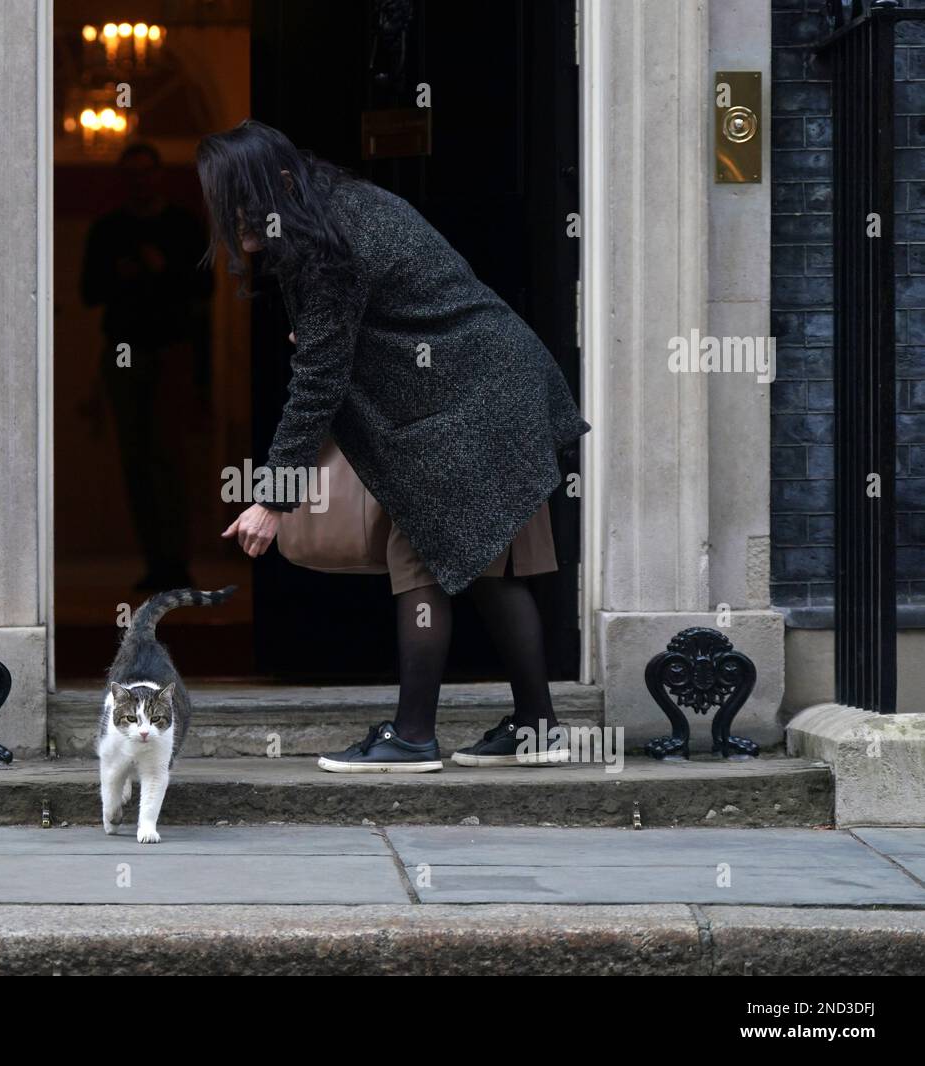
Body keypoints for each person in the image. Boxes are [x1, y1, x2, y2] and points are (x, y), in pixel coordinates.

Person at [200, 120, 590, 772]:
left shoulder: (326, 248)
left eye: (242, 202)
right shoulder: (341, 208)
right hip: (498, 385)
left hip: (468, 403)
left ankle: (412, 737)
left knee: (423, 561)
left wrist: (273, 498)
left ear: (282, 184)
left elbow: (318, 382)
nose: (234, 219)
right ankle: (537, 727)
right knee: (494, 569)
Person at [81, 141, 213, 590]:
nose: (140, 182)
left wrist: (163, 271)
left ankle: (176, 560)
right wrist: (122, 276)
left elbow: (204, 289)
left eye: (146, 173)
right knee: (136, 459)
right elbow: (88, 291)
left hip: (171, 350)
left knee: (169, 457)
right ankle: (156, 561)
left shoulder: (182, 226)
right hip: (124, 350)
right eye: (131, 174)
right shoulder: (108, 229)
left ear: (158, 176)